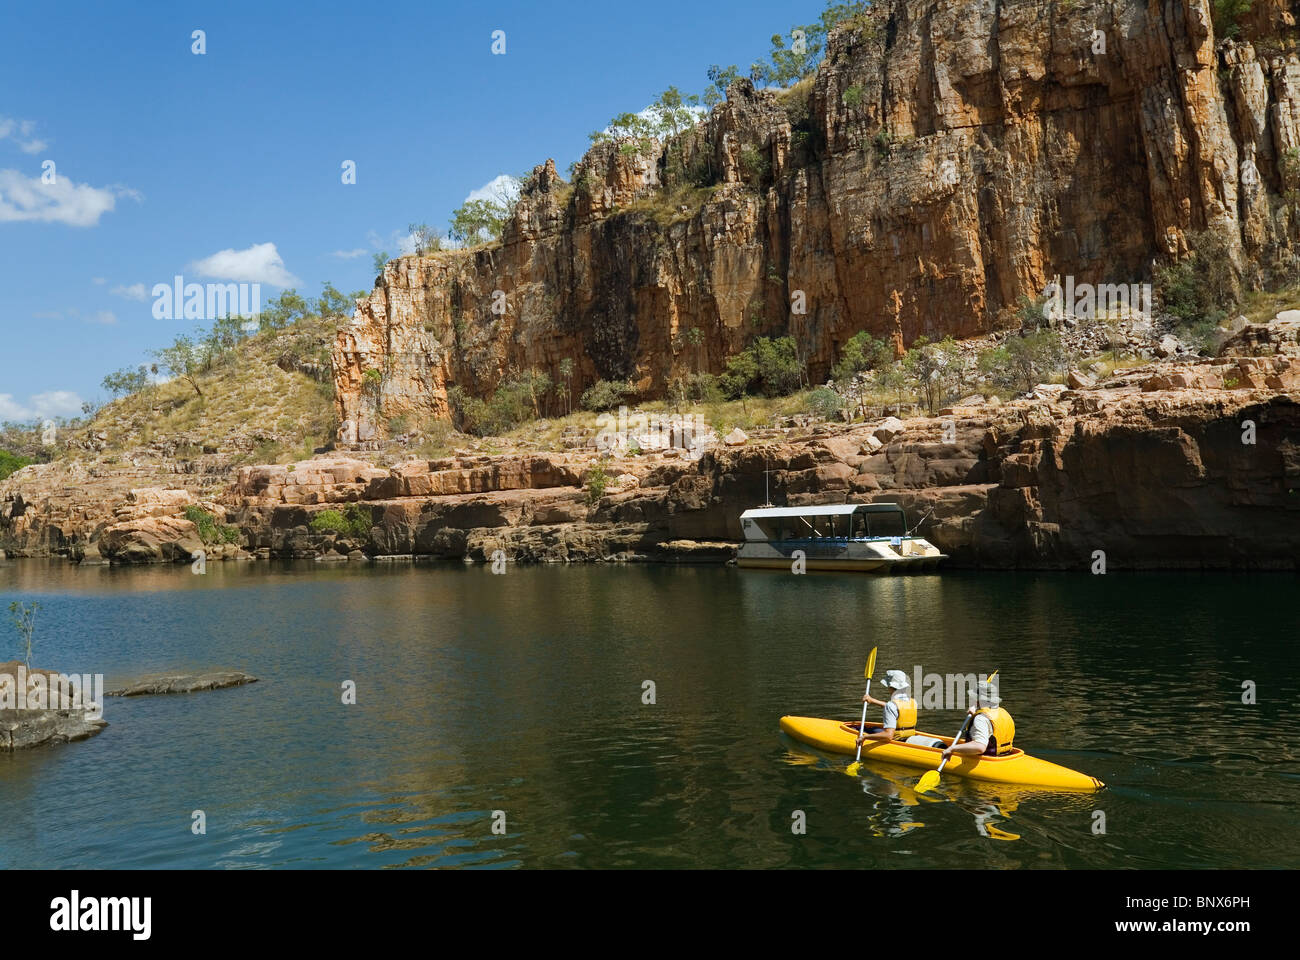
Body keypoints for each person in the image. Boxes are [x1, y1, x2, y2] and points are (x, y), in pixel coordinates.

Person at [940, 677, 1016, 761]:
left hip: (989, 761)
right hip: (1007, 757)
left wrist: (952, 749)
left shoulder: (981, 719)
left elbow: (980, 747)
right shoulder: (1003, 713)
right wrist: (977, 708)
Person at [856, 670, 918, 745]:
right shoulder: (913, 702)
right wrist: (872, 700)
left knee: (860, 729)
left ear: (891, 687)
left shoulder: (891, 706)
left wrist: (865, 737)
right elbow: (896, 709)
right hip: (909, 736)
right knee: (874, 729)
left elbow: (888, 736)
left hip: (897, 740)